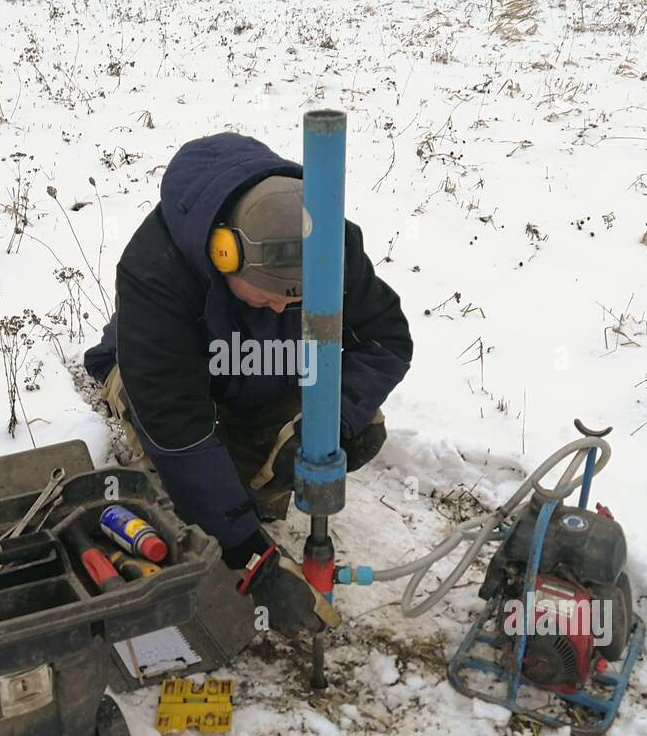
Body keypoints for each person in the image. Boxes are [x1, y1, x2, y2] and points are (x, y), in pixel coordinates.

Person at [84, 132, 412, 636]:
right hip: (176, 385)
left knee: (360, 427)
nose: (282, 308)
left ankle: (247, 484)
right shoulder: (156, 271)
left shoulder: (327, 241)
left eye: (297, 299)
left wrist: (322, 424)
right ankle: (228, 499)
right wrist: (250, 556)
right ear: (223, 254)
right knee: (188, 489)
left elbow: (385, 339)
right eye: (268, 298)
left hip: (263, 368)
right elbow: (179, 431)